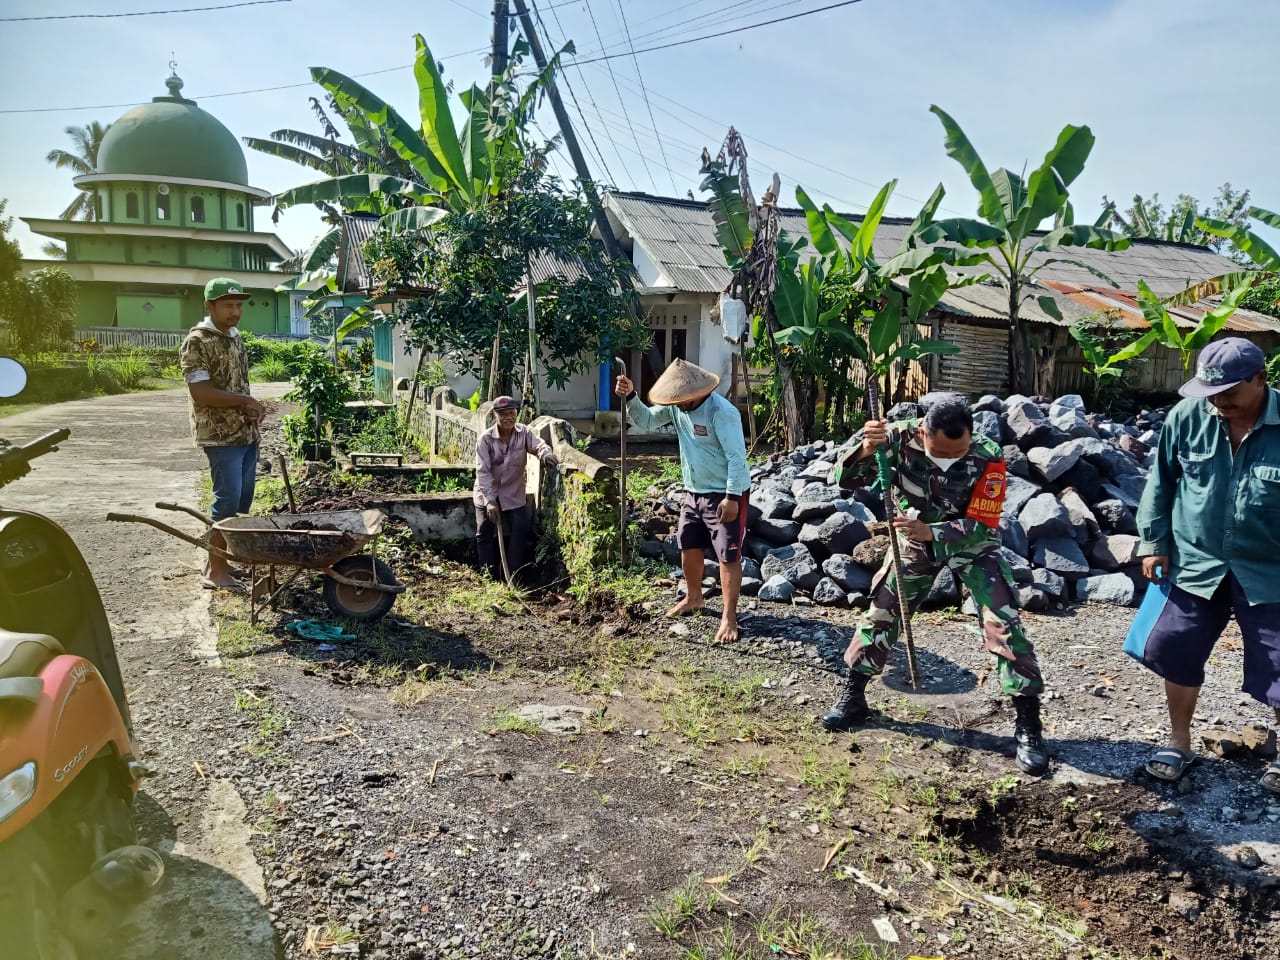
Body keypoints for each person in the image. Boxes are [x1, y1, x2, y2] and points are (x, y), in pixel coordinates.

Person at [822, 395, 1050, 776]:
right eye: (939, 451)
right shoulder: (894, 438)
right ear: (922, 431)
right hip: (912, 539)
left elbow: (985, 521)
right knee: (883, 610)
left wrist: (935, 531)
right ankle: (853, 698)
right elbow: (845, 481)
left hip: (970, 544)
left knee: (1004, 622)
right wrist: (865, 449)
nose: (950, 459)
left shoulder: (988, 455)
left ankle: (1028, 725)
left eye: (957, 453)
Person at [1134, 337, 1280, 791]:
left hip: (1270, 567)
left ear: (1261, 380)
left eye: (1230, 392)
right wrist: (1154, 542)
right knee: (1173, 646)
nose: (1218, 402)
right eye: (1210, 393)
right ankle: (1179, 742)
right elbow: (1161, 482)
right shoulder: (1187, 418)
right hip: (1197, 559)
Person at [615, 358, 749, 645]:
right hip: (694, 490)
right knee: (687, 544)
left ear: (697, 393)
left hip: (723, 492)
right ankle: (694, 597)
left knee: (728, 554)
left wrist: (731, 497)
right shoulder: (677, 407)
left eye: (682, 400)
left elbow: (737, 457)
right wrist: (631, 397)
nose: (677, 404)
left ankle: (729, 616)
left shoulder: (721, 412)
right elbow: (646, 421)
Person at [179, 277, 265, 590]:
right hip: (219, 436)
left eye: (239, 305)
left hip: (244, 433)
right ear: (209, 306)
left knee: (242, 499)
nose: (235, 311)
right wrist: (244, 401)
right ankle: (215, 571)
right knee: (226, 501)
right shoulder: (198, 341)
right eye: (228, 305)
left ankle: (221, 562)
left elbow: (237, 384)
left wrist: (251, 406)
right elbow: (201, 392)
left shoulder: (234, 337)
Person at [474, 396, 558, 583]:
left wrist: (546, 454)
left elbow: (538, 445)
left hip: (513, 492)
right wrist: (490, 501)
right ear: (495, 416)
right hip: (486, 492)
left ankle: (512, 576)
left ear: (516, 415)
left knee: (521, 528)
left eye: (511, 413)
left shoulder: (524, 433)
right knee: (484, 530)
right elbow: (483, 472)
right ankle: (487, 576)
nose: (508, 418)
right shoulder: (485, 440)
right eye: (503, 414)